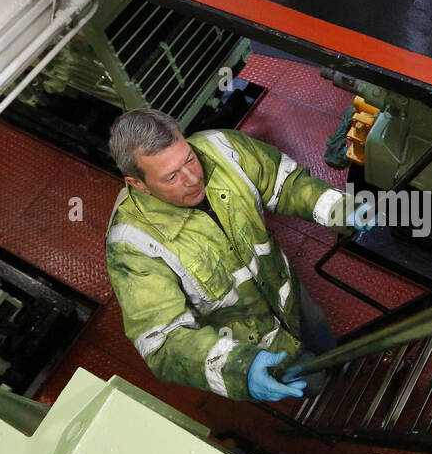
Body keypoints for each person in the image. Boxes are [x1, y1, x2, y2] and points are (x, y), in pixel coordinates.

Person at [104, 109, 373, 402]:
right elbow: (163, 340)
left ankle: (337, 362)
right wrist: (240, 368)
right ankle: (327, 392)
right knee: (312, 382)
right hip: (253, 345)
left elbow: (284, 184)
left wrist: (340, 207)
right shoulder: (132, 246)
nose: (193, 179)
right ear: (138, 184)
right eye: (171, 177)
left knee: (319, 332)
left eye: (189, 159)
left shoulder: (222, 148)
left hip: (287, 294)